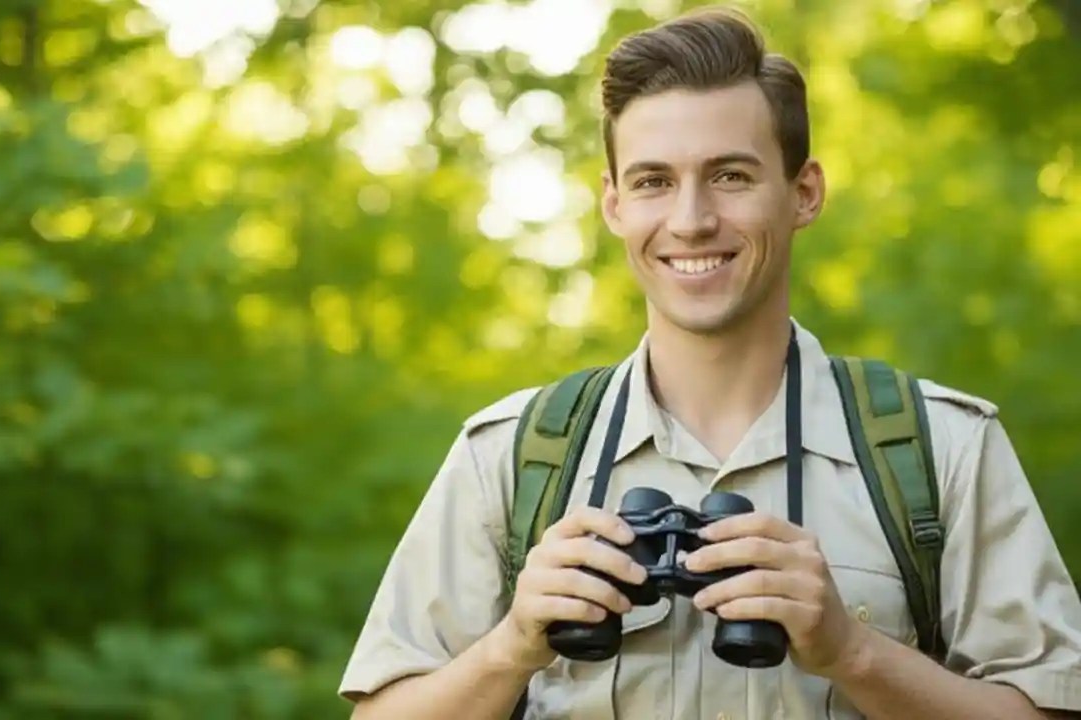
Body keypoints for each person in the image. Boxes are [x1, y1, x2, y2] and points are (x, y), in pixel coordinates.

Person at [338, 6, 1081, 719]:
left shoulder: (939, 449)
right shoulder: (510, 457)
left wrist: (851, 651)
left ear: (804, 192)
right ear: (614, 205)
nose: (691, 221)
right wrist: (512, 647)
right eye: (654, 181)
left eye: (730, 175)